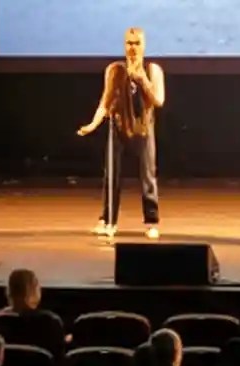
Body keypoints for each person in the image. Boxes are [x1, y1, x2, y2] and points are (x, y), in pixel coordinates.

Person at [77, 27, 166, 240]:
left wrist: (142, 79)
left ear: (144, 45)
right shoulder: (115, 70)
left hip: (144, 130)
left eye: (136, 43)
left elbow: (159, 101)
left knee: (148, 177)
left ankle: (151, 221)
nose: (132, 48)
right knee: (112, 176)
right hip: (118, 128)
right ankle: (108, 220)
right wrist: (92, 124)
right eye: (129, 43)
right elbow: (105, 103)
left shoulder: (153, 70)